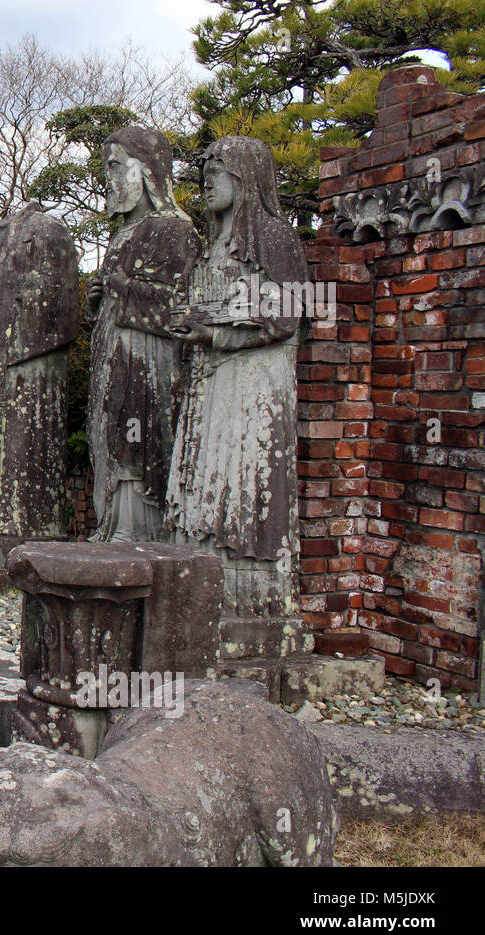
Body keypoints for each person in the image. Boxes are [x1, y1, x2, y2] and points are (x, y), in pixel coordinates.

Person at [167, 135, 308, 618]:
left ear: (246, 180)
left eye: (217, 174)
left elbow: (286, 317)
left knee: (243, 483)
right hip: (210, 382)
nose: (206, 184)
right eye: (203, 174)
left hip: (253, 387)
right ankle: (201, 580)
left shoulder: (274, 237)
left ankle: (247, 596)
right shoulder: (212, 247)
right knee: (205, 487)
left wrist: (214, 332)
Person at [86, 127, 200, 542]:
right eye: (106, 169)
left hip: (149, 356)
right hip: (113, 351)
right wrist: (97, 300)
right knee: (109, 431)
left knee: (137, 430)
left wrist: (121, 287)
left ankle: (140, 528)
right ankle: (111, 522)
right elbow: (114, 297)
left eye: (115, 165)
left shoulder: (173, 229)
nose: (109, 178)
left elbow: (175, 304)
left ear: (147, 169)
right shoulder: (120, 234)